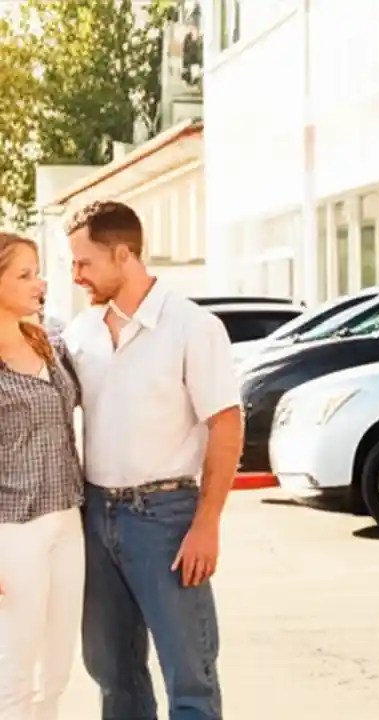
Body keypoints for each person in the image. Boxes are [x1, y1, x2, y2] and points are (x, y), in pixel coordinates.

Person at [61, 200, 243, 720]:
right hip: (95, 518)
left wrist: (207, 524)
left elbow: (226, 424)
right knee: (113, 676)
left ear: (123, 255)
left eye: (84, 263)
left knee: (190, 678)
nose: (76, 276)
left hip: (165, 519)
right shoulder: (81, 334)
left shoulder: (191, 326)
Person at [0, 232, 85, 720]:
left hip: (66, 521)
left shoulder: (48, 341)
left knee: (56, 668)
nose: (40, 282)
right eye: (24, 274)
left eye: (38, 271)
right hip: (14, 531)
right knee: (15, 671)